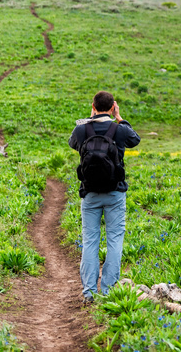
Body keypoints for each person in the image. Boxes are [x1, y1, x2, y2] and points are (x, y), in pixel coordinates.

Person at [68, 91, 141, 303]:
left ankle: (89, 293)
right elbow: (135, 139)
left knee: (90, 241)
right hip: (115, 192)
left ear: (93, 106)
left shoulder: (82, 129)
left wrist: (89, 120)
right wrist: (120, 118)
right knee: (115, 240)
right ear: (113, 107)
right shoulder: (120, 129)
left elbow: (72, 143)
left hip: (90, 193)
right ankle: (108, 291)